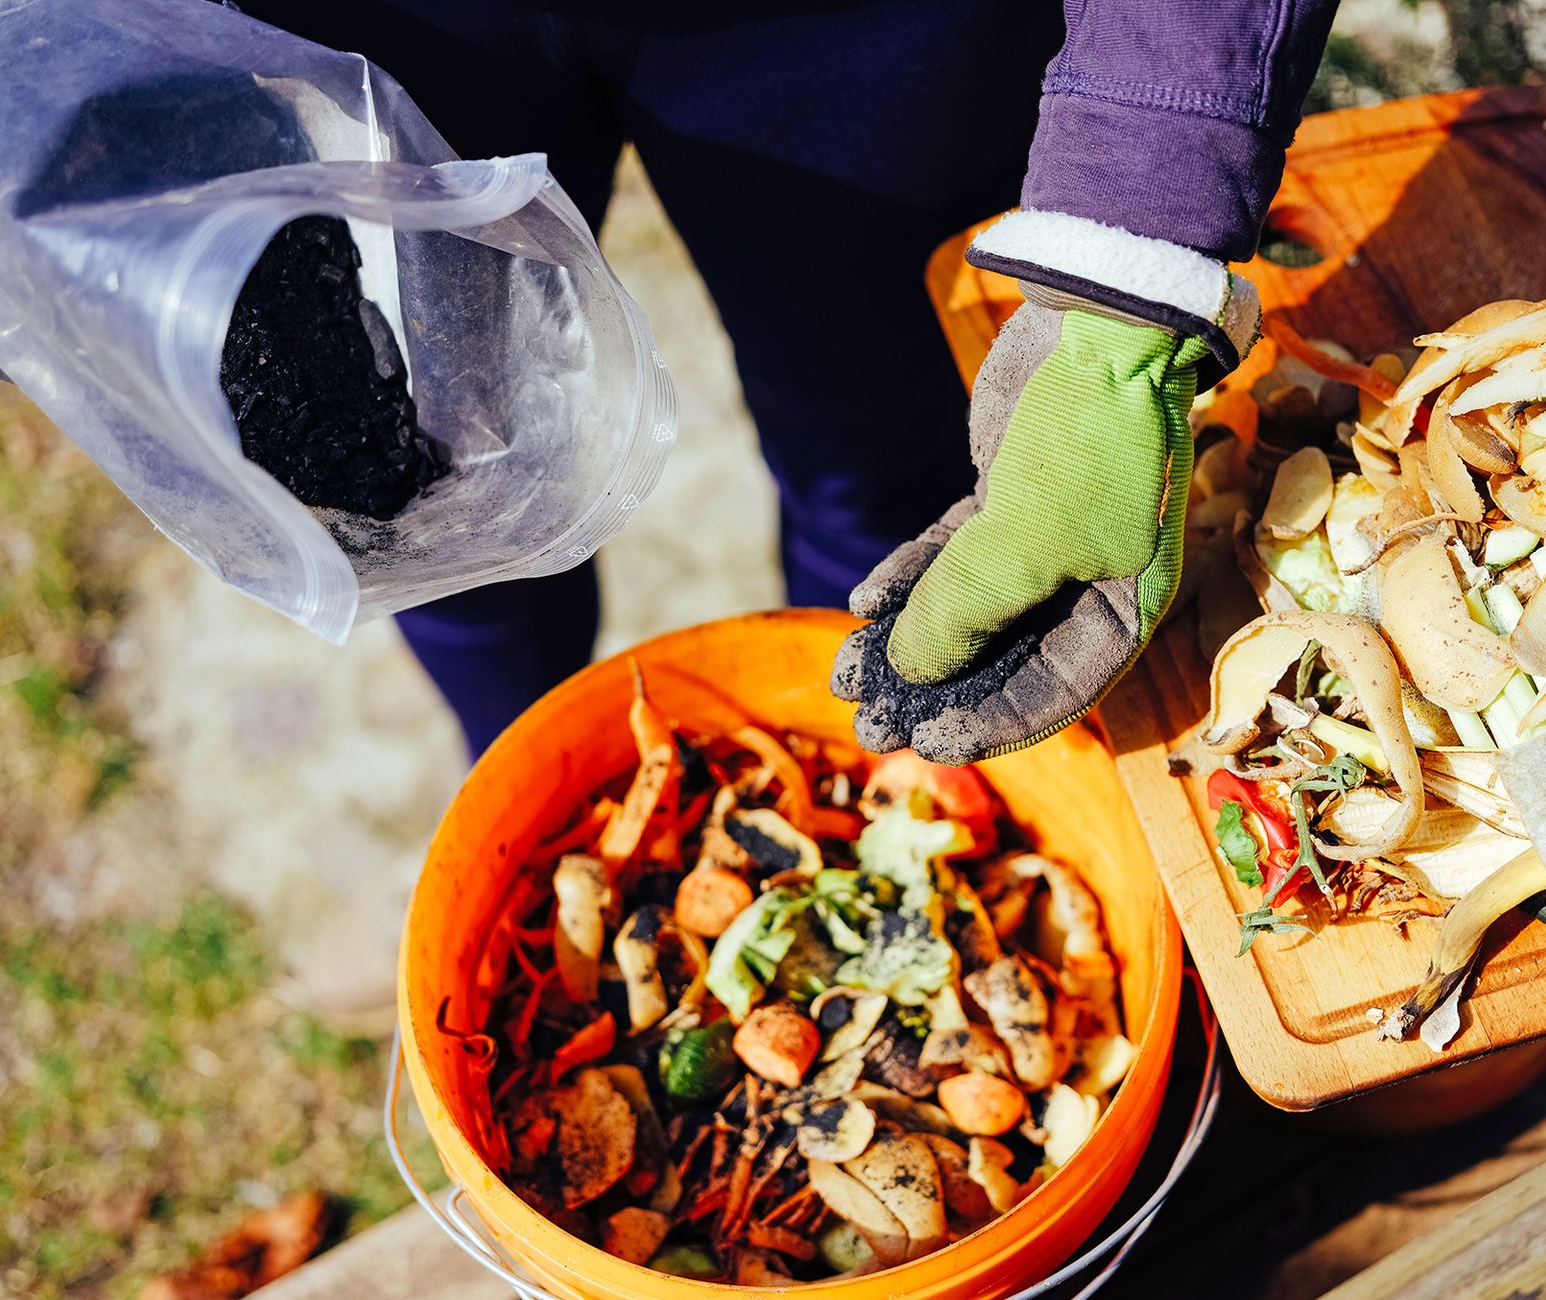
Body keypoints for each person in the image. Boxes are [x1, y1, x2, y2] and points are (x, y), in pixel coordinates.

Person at [255, 0, 1340, 762]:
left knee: (876, 465)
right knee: (423, 485)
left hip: (858, 36)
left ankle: (855, 785)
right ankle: (518, 782)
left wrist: (1125, 281)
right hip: (370, 25)